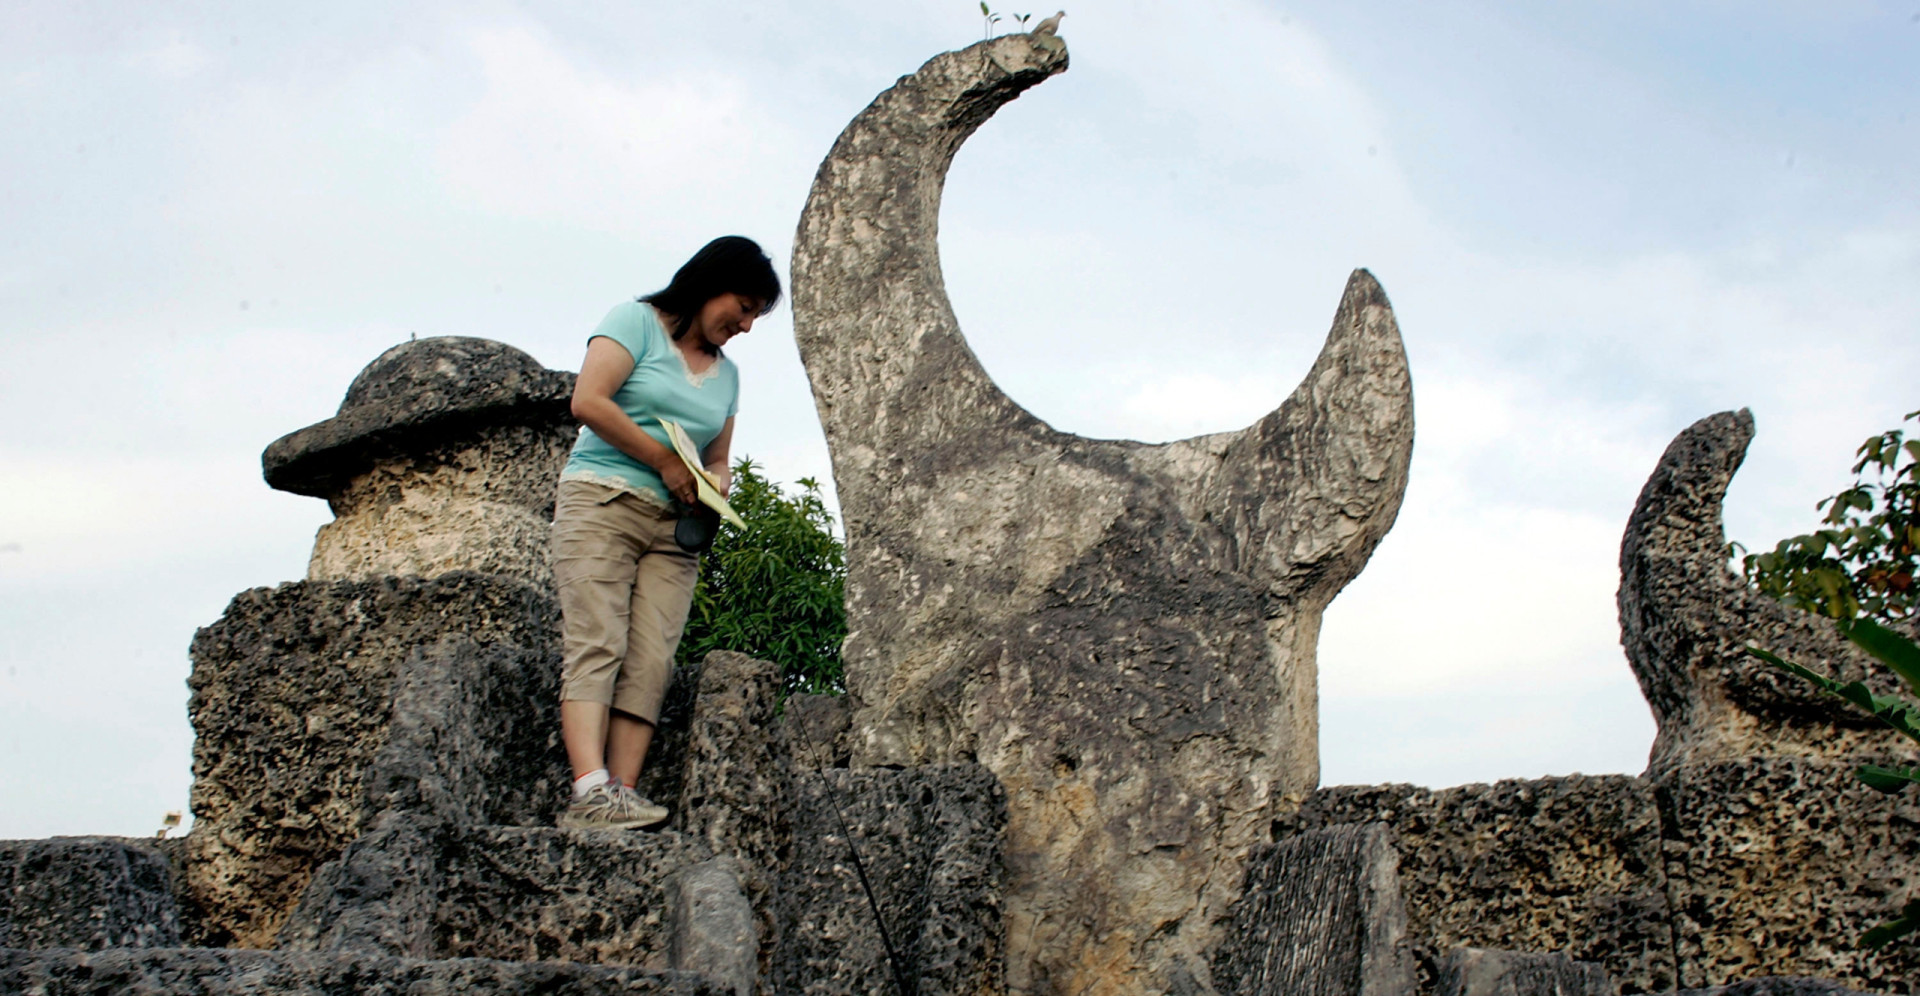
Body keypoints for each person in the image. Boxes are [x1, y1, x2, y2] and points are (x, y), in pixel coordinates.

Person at [551, 236, 781, 830]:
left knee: (653, 654)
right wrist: (663, 459)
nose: (746, 325)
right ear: (711, 283)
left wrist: (716, 481)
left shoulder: (729, 376)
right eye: (745, 307)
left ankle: (623, 791)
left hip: (676, 524)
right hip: (603, 499)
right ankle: (589, 788)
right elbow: (588, 401)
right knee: (599, 637)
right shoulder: (634, 322)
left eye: (755, 316)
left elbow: (720, 456)